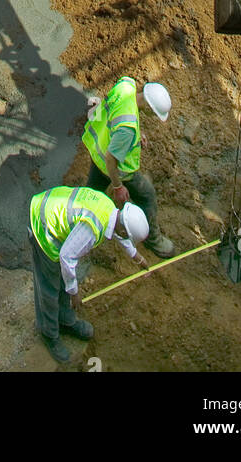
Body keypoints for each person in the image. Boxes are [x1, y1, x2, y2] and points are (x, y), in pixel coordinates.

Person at [28, 185, 149, 362]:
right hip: (44, 223)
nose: (124, 237)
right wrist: (74, 293)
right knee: (50, 287)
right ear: (123, 229)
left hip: (55, 211)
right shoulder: (93, 227)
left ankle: (65, 320)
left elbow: (120, 235)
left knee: (63, 279)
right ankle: (49, 334)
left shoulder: (110, 210)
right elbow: (66, 257)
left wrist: (137, 257)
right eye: (126, 235)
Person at [82, 77, 175, 258]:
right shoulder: (127, 129)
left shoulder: (126, 86)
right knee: (147, 195)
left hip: (97, 147)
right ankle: (152, 239)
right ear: (147, 105)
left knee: (91, 195)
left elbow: (118, 114)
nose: (153, 117)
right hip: (115, 167)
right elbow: (111, 160)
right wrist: (118, 186)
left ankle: (80, 223)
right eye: (153, 113)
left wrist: (136, 131)